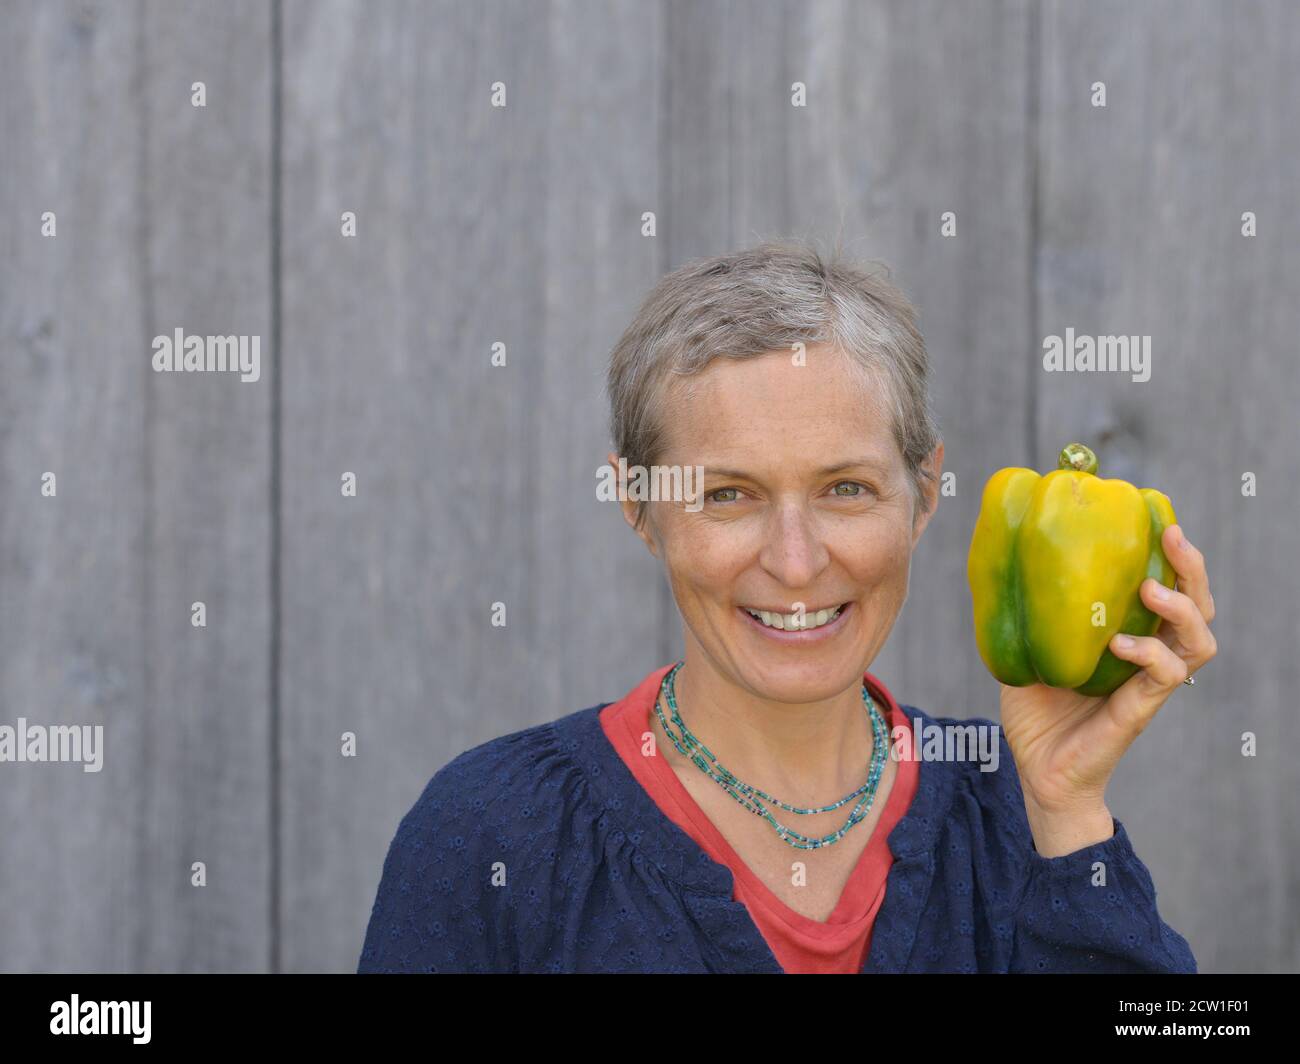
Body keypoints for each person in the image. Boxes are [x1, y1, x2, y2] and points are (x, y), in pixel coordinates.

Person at [358, 240, 1215, 973]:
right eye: (729, 495)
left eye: (846, 488)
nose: (797, 563)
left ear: (923, 493)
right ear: (636, 503)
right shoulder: (490, 835)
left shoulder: (1016, 813)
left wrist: (1067, 810)